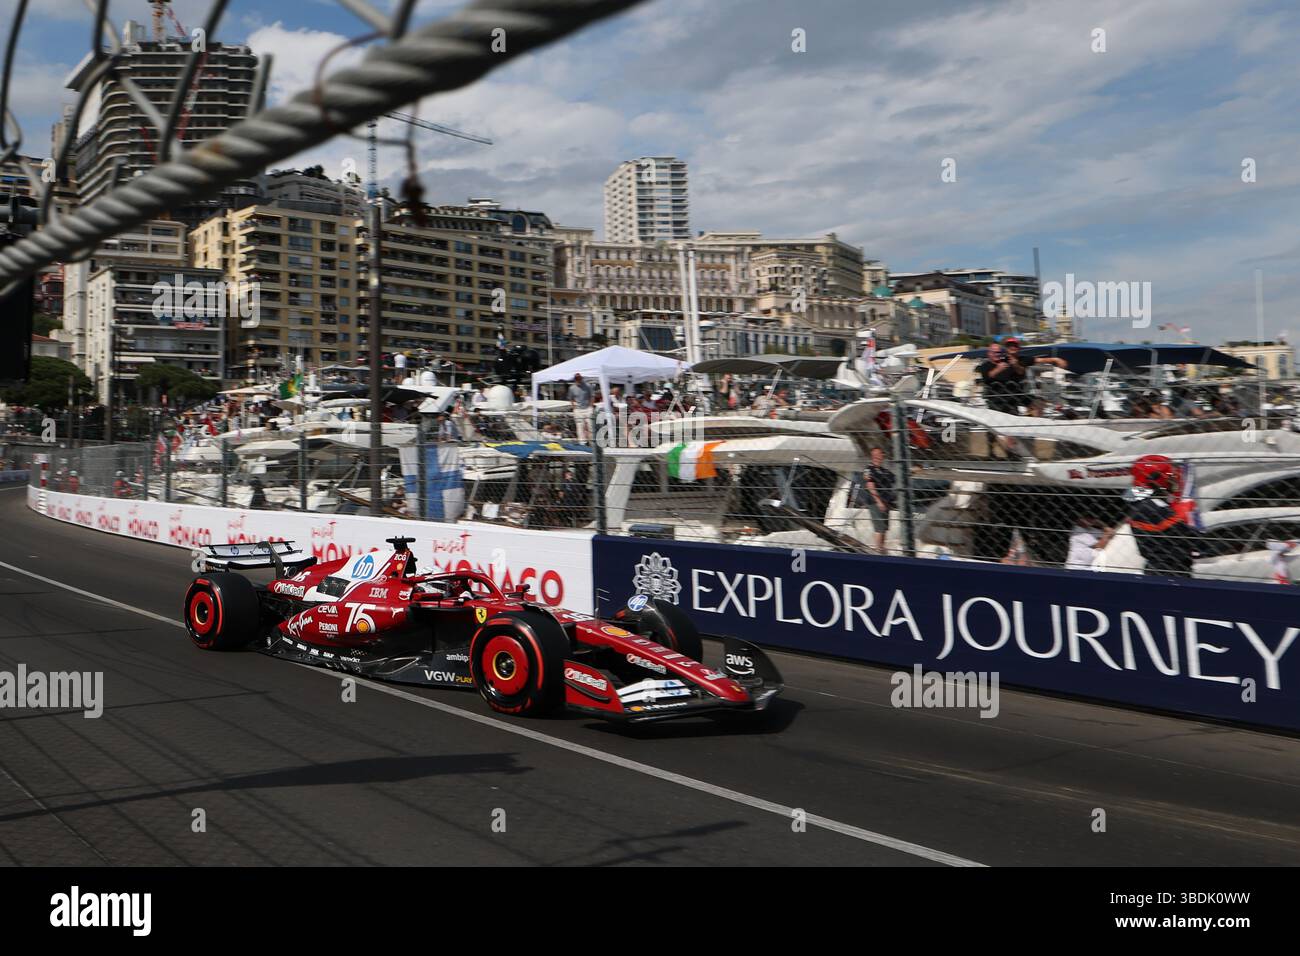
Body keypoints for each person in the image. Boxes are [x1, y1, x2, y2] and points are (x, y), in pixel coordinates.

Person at [1127, 454, 1202, 578]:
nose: (1173, 479)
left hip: (1167, 567)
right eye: (1170, 477)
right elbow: (1190, 535)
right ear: (1155, 480)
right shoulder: (1150, 506)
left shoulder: (1144, 503)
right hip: (1166, 569)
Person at [855, 446, 896, 552]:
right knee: (879, 526)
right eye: (875, 455)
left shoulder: (884, 471)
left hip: (886, 501)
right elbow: (870, 485)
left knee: (885, 527)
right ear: (872, 456)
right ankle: (878, 548)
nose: (878, 457)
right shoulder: (869, 469)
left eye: (880, 454)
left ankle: (881, 547)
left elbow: (897, 477)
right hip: (875, 502)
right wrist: (879, 502)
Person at [568, 373, 594, 443]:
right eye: (576, 379)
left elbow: (592, 396)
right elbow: (571, 398)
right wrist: (574, 407)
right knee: (580, 426)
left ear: (581, 378)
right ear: (574, 379)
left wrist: (591, 406)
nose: (578, 380)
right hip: (578, 409)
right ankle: (582, 442)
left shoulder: (588, 386)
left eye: (579, 378)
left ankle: (592, 442)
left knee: (591, 425)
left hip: (588, 408)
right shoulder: (572, 388)